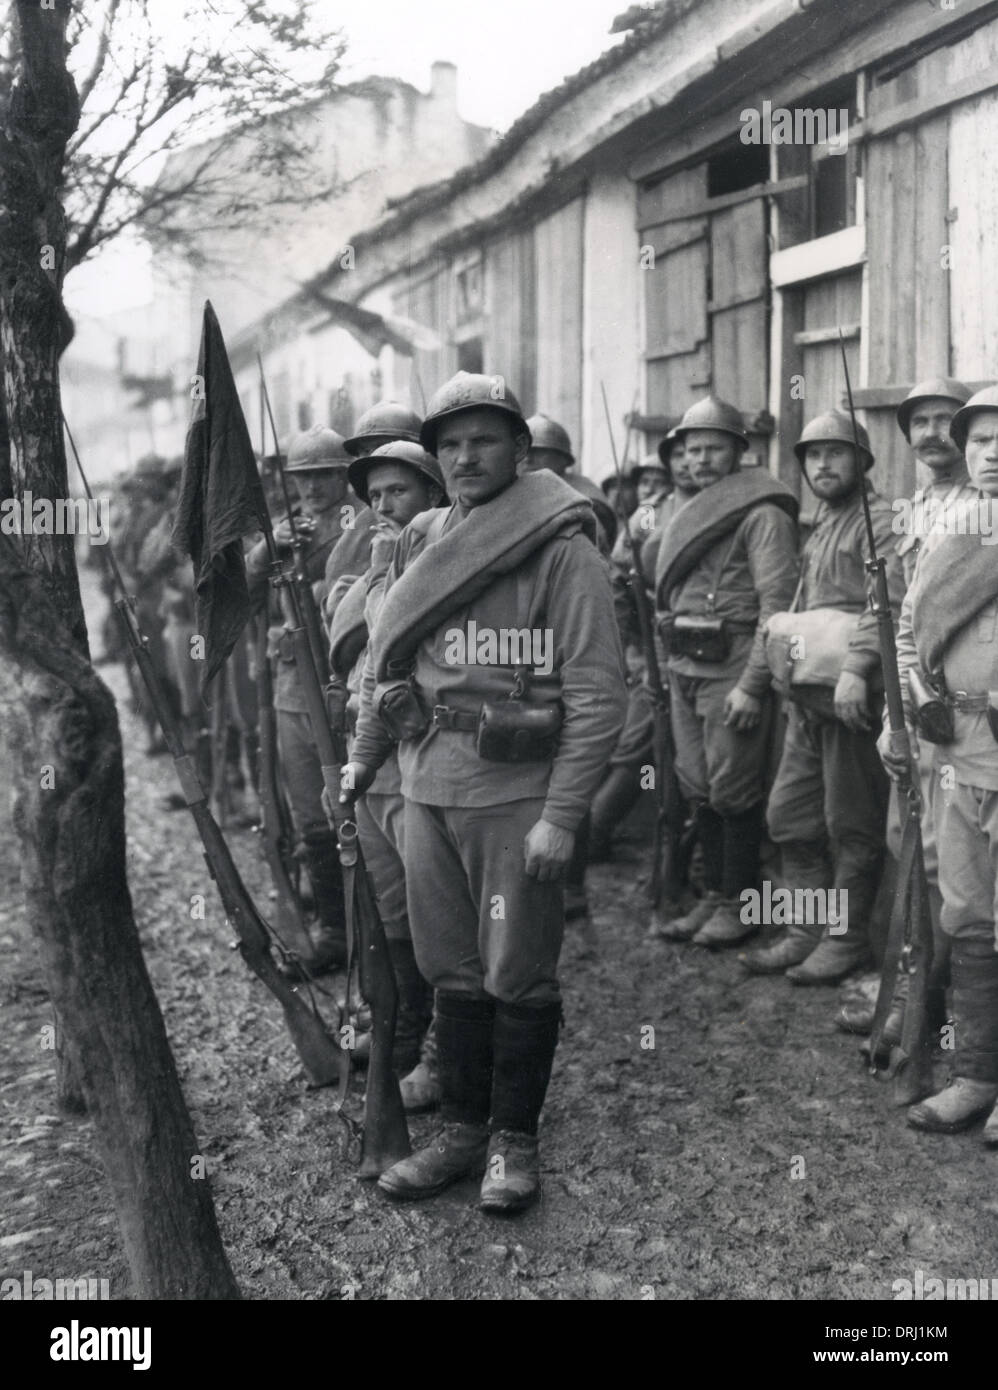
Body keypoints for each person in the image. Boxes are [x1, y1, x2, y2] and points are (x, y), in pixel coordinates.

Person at [344, 370, 628, 1212]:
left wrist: (563, 816)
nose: (467, 457)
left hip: (515, 797)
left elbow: (598, 695)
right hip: (424, 781)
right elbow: (383, 662)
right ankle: (461, 1134)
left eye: (484, 440)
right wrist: (363, 760)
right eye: (452, 444)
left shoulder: (562, 548)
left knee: (518, 974)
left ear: (521, 450)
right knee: (449, 967)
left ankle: (513, 1144)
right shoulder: (423, 537)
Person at [836, 377, 974, 1037]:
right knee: (907, 841)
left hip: (969, 708)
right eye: (918, 422)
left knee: (953, 858)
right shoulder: (907, 512)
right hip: (915, 699)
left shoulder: (987, 508)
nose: (931, 433)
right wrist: (888, 697)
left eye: (946, 420)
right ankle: (913, 984)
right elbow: (889, 610)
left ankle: (940, 1001)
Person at [744, 412, 902, 983]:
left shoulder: (877, 521)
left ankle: (846, 939)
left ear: (863, 461)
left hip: (848, 700)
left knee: (851, 826)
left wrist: (858, 670)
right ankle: (805, 929)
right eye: (813, 456)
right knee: (788, 817)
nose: (823, 464)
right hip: (807, 699)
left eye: (836, 453)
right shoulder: (822, 520)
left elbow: (885, 603)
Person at [880, 385, 998, 1141]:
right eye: (982, 442)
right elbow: (906, 628)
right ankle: (978, 1075)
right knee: (969, 914)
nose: (994, 455)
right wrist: (905, 714)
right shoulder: (949, 527)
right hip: (955, 748)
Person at [652, 395, 798, 948]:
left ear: (741, 451)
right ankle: (715, 895)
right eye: (692, 449)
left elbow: (775, 610)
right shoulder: (685, 510)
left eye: (715, 447)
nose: (701, 459)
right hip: (684, 665)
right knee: (698, 785)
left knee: (734, 789)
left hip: (734, 666)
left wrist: (752, 686)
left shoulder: (762, 514)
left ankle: (741, 904)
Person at [327, 438, 445, 1103]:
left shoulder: (442, 552)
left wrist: (379, 579)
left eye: (396, 492)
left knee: (436, 911)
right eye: (374, 497)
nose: (382, 508)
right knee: (391, 902)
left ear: (433, 493)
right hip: (375, 745)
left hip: (423, 747)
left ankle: (438, 1049)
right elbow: (354, 642)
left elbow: (395, 636)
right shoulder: (381, 556)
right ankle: (400, 1029)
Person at [246, 425, 374, 976]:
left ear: (345, 475)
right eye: (304, 477)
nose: (314, 487)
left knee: (350, 809)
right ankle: (330, 930)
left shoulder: (365, 524)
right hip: (291, 684)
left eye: (324, 474)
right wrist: (265, 553)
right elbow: (244, 598)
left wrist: (317, 588)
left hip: (340, 685)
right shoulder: (282, 529)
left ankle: (369, 934)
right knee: (308, 817)